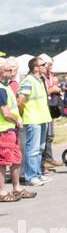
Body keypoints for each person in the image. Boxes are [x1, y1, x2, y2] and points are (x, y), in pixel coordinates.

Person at [17, 57, 52, 188]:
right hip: (33, 119)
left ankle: (37, 173)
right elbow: (21, 100)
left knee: (40, 148)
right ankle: (31, 176)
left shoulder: (40, 80)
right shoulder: (28, 81)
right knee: (32, 149)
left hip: (43, 118)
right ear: (36, 68)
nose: (46, 66)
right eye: (43, 64)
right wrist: (22, 115)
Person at [0, 61, 30, 202]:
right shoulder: (1, 89)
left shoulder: (5, 87)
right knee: (3, 162)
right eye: (7, 70)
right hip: (4, 130)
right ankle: (2, 192)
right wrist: (16, 120)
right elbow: (5, 113)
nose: (10, 73)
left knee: (15, 159)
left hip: (10, 129)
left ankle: (16, 188)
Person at [39, 54, 60, 171]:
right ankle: (45, 161)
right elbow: (42, 92)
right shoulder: (40, 76)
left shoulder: (49, 75)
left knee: (50, 135)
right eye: (49, 64)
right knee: (45, 136)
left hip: (50, 108)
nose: (51, 67)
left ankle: (48, 158)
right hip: (43, 108)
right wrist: (53, 89)